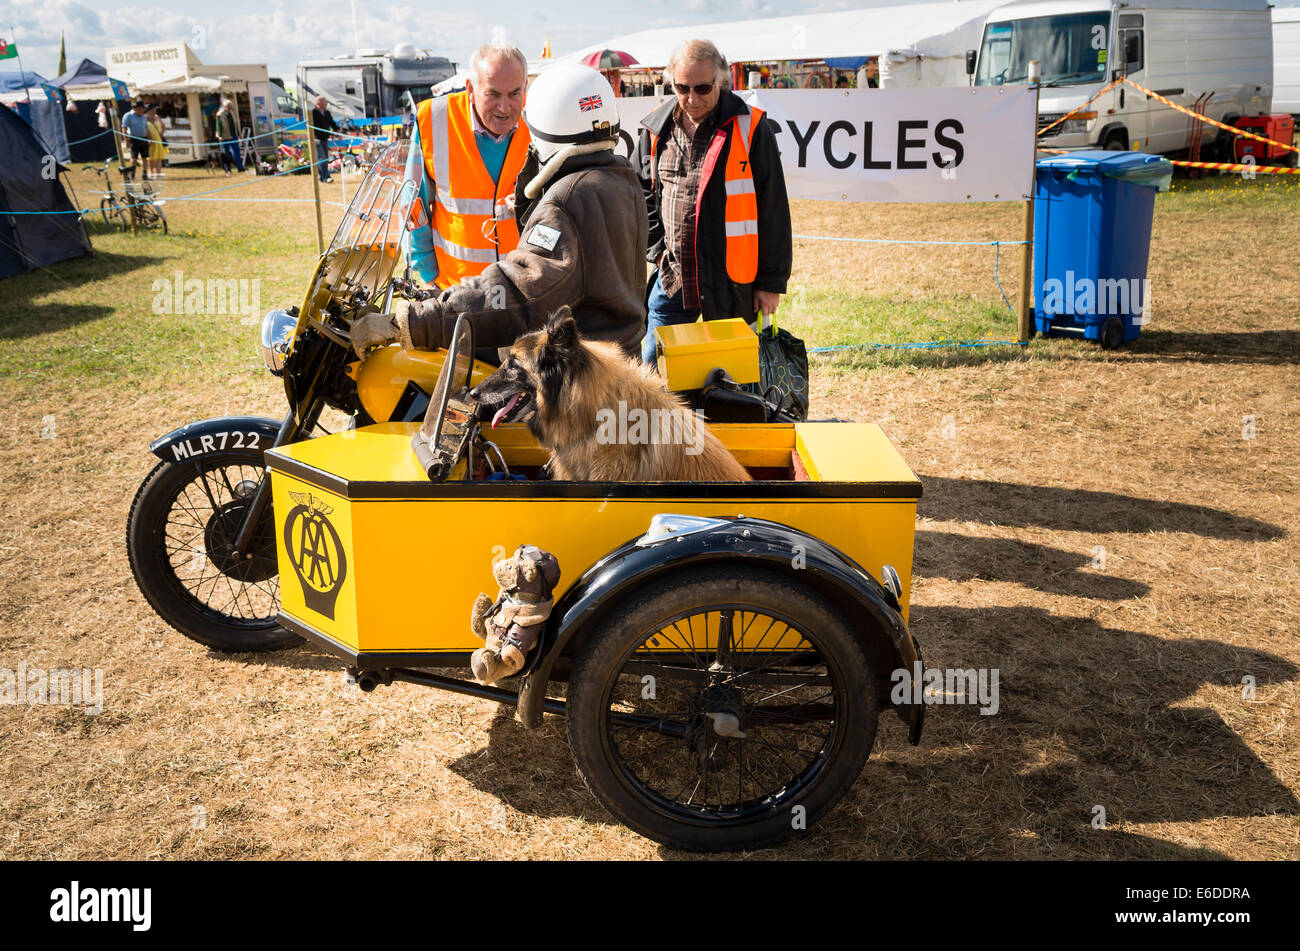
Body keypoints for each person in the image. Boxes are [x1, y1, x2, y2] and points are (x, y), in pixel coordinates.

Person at [351, 64, 647, 360]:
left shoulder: (567, 200)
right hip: (610, 362)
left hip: (576, 378)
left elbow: (519, 293)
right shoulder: (617, 178)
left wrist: (412, 322)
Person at [632, 38, 792, 366]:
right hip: (673, 277)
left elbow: (773, 207)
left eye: (703, 88)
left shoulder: (750, 127)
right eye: (682, 87)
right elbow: (640, 193)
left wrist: (771, 283)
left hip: (731, 282)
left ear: (720, 80)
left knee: (732, 379)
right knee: (650, 369)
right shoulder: (655, 128)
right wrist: (658, 249)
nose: (692, 98)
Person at [402, 44, 532, 290]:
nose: (504, 107)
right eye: (492, 94)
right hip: (455, 291)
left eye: (515, 94)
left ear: (525, 88)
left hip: (522, 292)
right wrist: (429, 278)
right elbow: (413, 206)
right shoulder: (433, 121)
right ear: (471, 89)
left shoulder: (539, 121)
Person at [310, 95, 338, 183]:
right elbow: (311, 127)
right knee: (321, 158)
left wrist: (338, 132)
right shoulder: (313, 113)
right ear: (319, 103)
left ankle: (321, 176)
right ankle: (326, 176)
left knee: (325, 158)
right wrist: (314, 137)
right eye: (325, 102)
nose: (326, 104)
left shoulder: (327, 113)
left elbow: (332, 123)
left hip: (325, 138)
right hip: (317, 139)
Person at [121, 100, 150, 180]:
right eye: (140, 108)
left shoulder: (144, 117)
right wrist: (126, 140)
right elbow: (124, 128)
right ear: (135, 108)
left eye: (142, 109)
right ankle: (132, 173)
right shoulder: (128, 116)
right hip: (134, 139)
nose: (141, 110)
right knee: (134, 158)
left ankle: (144, 174)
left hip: (144, 139)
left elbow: (146, 128)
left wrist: (149, 139)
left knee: (145, 157)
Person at [214, 99, 244, 174]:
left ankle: (240, 167)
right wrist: (220, 136)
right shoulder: (219, 114)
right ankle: (228, 170)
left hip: (234, 136)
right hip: (225, 137)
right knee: (225, 154)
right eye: (229, 107)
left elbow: (235, 124)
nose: (230, 108)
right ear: (225, 107)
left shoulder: (232, 113)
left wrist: (239, 134)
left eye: (231, 107)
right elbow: (218, 126)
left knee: (237, 152)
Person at [145, 104, 166, 178]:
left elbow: (163, 126)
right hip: (150, 141)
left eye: (155, 110)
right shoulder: (145, 119)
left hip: (158, 141)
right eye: (153, 110)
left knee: (159, 157)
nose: (154, 111)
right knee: (151, 158)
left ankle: (158, 173)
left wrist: (161, 134)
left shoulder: (157, 117)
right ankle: (151, 172)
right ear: (148, 111)